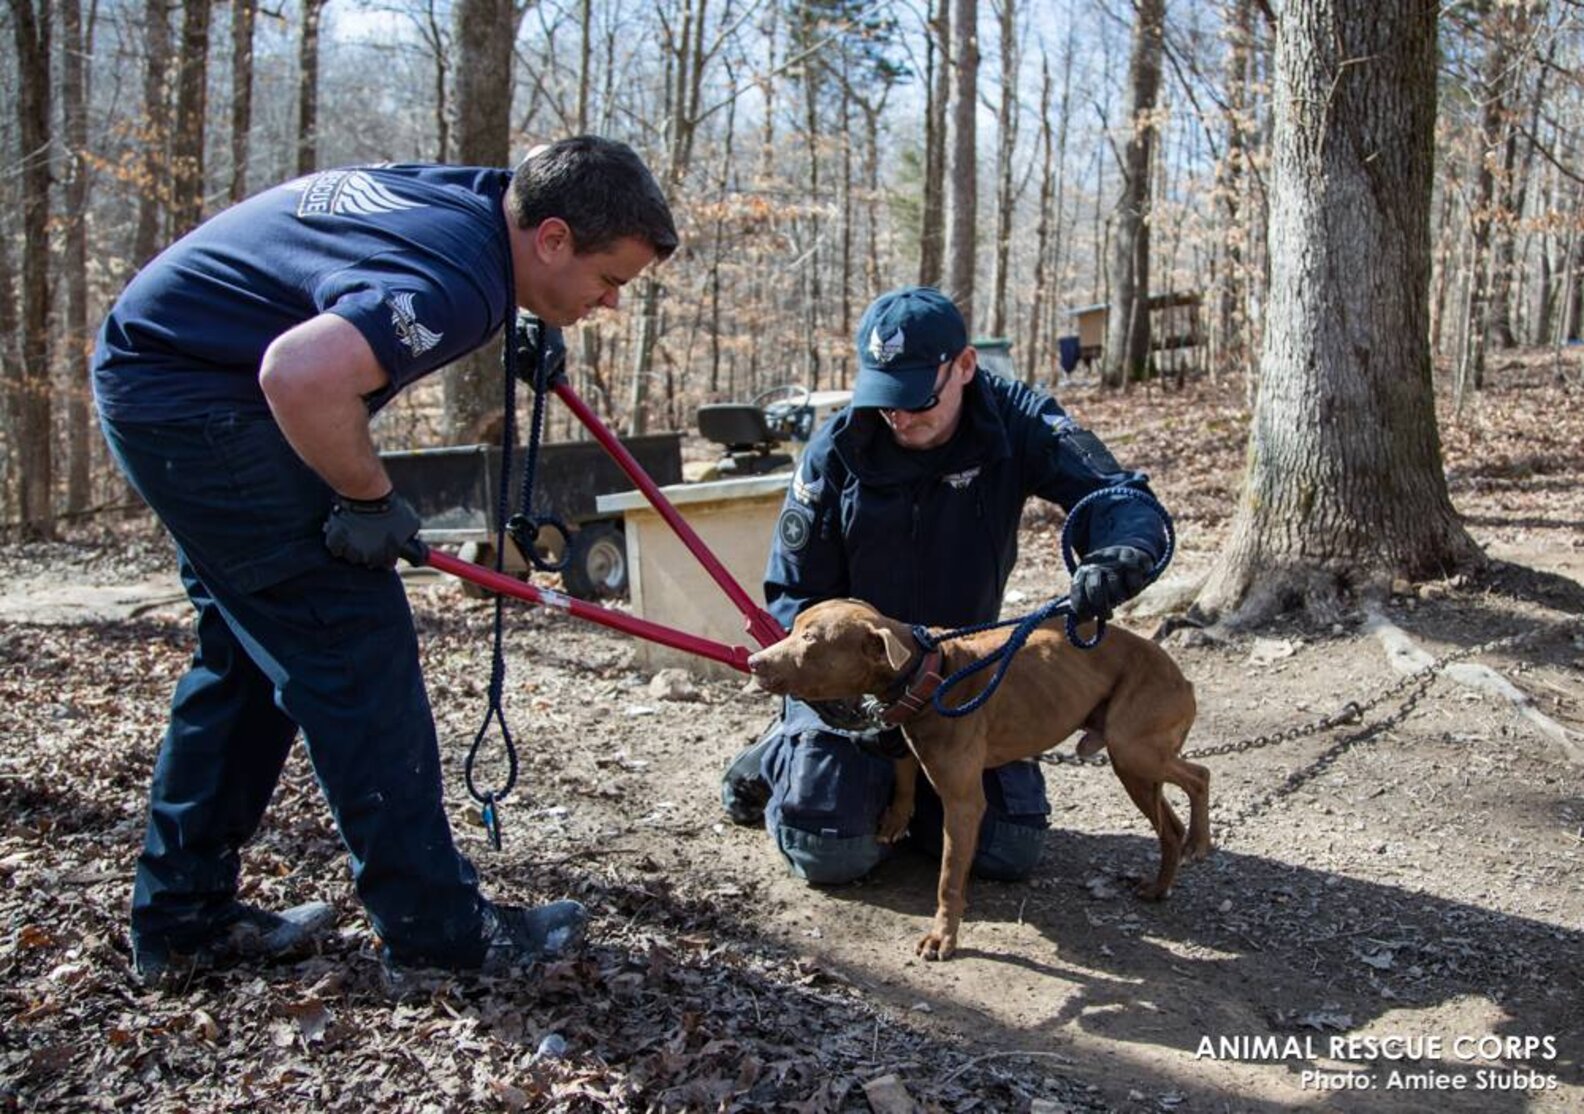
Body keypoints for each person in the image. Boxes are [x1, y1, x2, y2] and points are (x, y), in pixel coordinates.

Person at [92, 136, 678, 988]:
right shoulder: (457, 282)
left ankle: (184, 919)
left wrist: (532, 314)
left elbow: (461, 225)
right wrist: (369, 500)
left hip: (167, 363)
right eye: (608, 282)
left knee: (245, 657)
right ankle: (439, 935)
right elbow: (299, 373)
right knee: (351, 645)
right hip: (196, 397)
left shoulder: (486, 201)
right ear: (552, 239)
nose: (610, 304)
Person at [722, 286, 1168, 885]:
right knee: (829, 849)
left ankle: (902, 794)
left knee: (1006, 847)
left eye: (916, 399)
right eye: (885, 400)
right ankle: (781, 755)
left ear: (963, 367)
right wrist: (840, 703)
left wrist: (1120, 551)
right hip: (851, 679)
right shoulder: (838, 448)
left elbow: (1115, 493)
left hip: (961, 678)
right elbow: (792, 593)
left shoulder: (1017, 420)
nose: (899, 418)